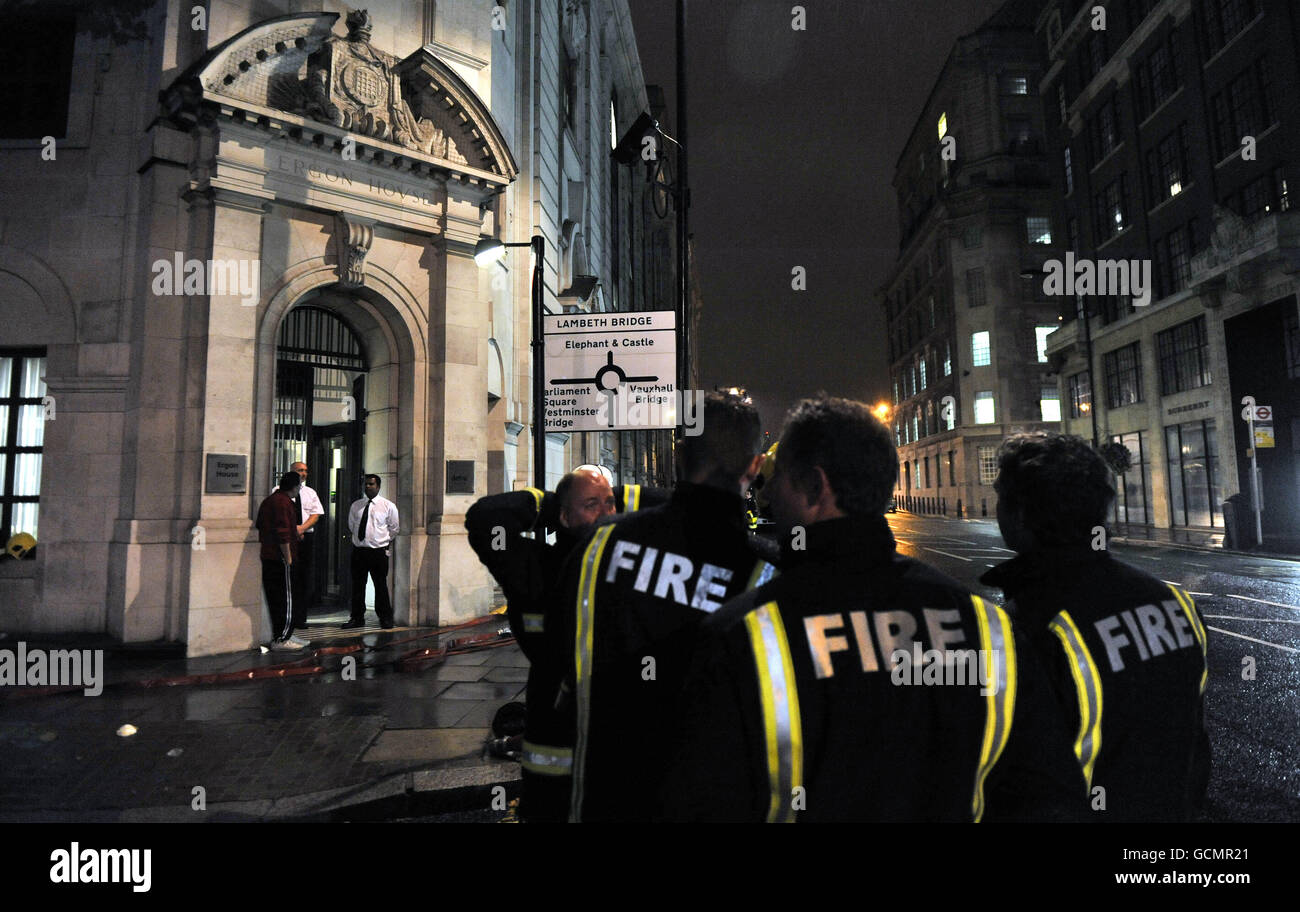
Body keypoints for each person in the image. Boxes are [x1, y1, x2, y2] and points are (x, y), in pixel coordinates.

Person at [659, 396, 1087, 822]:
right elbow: (1048, 797)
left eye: (778, 477)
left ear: (814, 486)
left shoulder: (745, 635)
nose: (767, 491)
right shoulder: (988, 628)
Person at [555, 390, 777, 822]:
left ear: (678, 455)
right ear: (754, 467)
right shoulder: (766, 576)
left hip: (606, 798)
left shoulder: (601, 544)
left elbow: (558, 656)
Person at [980, 432, 1211, 821]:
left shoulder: (1029, 629)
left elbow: (1022, 781)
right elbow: (1194, 746)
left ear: (1021, 514)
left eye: (1001, 496)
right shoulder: (1177, 605)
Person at [465, 466, 665, 822]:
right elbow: (484, 518)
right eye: (592, 505)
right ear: (562, 516)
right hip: (554, 749)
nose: (606, 514)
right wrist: (552, 500)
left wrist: (607, 496)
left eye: (611, 505)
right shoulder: (536, 566)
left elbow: (684, 509)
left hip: (619, 741)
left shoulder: (633, 566)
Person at [255, 472, 309, 651]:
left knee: (279, 598)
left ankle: (285, 634)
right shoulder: (284, 503)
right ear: (294, 487)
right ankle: (282, 637)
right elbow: (283, 532)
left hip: (270, 557)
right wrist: (289, 557)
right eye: (299, 487)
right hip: (280, 558)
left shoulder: (270, 501)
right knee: (286, 599)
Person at [345, 474, 400, 629]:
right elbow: (351, 525)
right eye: (366, 484)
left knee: (380, 585)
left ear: (378, 486)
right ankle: (357, 618)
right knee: (357, 586)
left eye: (371, 484)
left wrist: (381, 541)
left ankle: (385, 618)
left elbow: (394, 528)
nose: (368, 487)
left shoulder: (388, 506)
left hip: (378, 552)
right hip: (359, 551)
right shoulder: (356, 505)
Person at [274, 461, 324, 630]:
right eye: (299, 470)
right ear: (291, 472)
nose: (303, 473)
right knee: (288, 578)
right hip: (286, 540)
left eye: (305, 470)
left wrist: (301, 528)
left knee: (303, 579)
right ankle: (286, 618)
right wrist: (293, 531)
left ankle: (300, 618)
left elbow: (316, 514)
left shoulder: (310, 492)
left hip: (306, 539)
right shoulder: (278, 492)